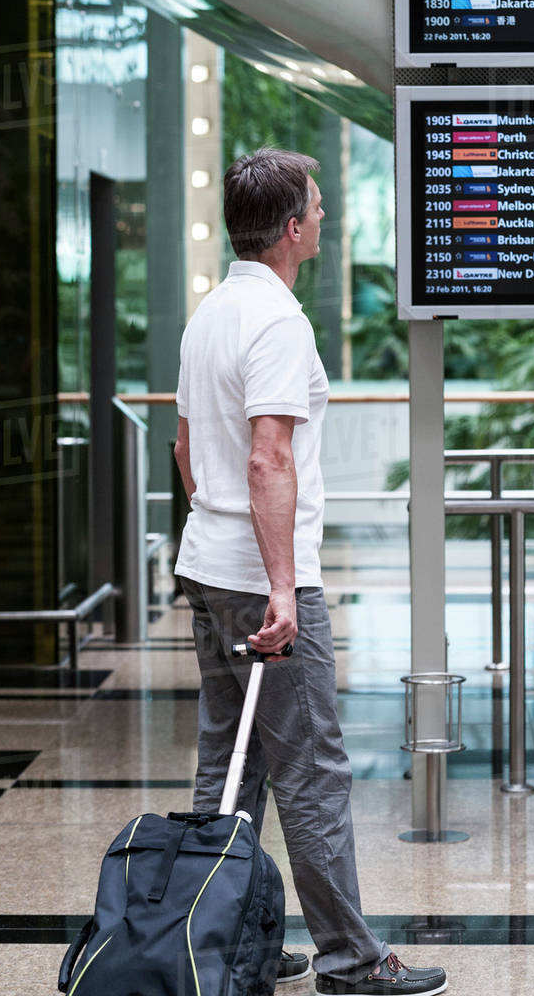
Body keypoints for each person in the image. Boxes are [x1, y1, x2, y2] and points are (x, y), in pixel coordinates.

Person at [174, 147, 447, 996]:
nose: (325, 218)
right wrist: (285, 586)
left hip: (212, 565)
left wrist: (220, 535)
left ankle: (219, 939)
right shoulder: (279, 322)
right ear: (292, 229)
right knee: (312, 769)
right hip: (265, 582)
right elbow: (269, 460)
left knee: (231, 765)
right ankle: (350, 959)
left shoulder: (210, 312)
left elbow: (187, 448)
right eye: (319, 209)